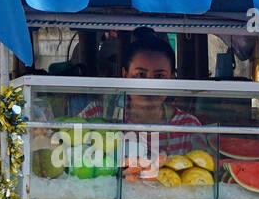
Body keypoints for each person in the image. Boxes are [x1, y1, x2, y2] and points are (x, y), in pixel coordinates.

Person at [77, 28, 202, 157]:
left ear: (172, 78)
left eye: (159, 76)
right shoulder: (99, 111)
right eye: (140, 75)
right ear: (125, 75)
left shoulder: (188, 127)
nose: (149, 86)